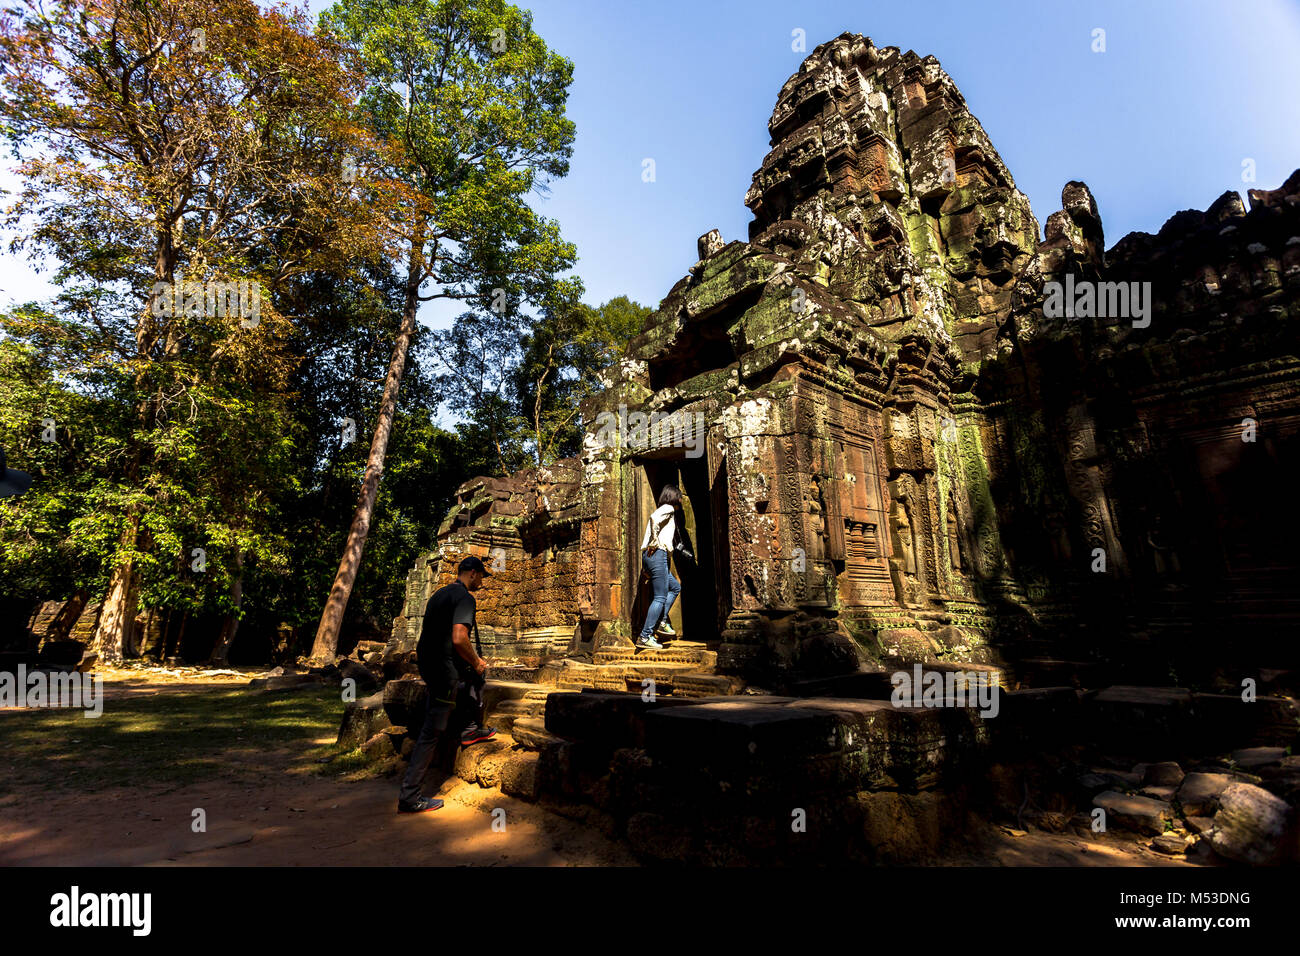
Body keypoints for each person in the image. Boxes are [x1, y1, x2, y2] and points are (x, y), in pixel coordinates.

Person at [398, 555, 498, 814]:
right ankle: (410, 796)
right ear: (473, 573)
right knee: (432, 730)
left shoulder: (439, 595)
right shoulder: (465, 598)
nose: (481, 583)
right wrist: (476, 661)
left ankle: (469, 729)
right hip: (444, 670)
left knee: (472, 680)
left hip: (430, 664)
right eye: (480, 577)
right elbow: (459, 637)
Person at [636, 485, 691, 649]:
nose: (681, 500)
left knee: (674, 587)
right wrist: (655, 543)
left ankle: (661, 621)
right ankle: (645, 636)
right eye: (679, 496)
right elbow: (653, 518)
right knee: (660, 596)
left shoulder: (667, 511)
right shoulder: (667, 508)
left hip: (652, 557)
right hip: (657, 554)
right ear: (674, 496)